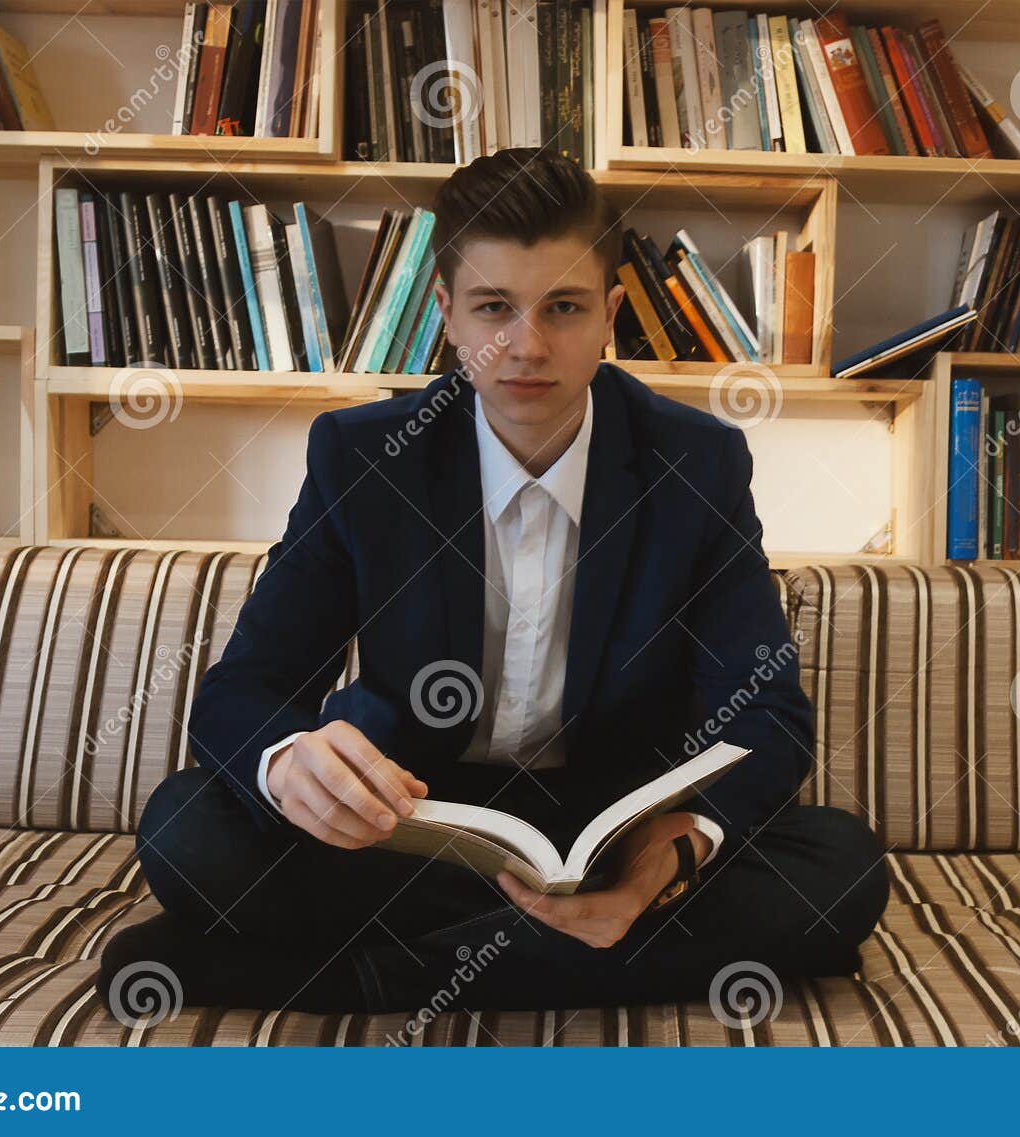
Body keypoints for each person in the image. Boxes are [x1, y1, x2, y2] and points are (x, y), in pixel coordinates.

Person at [95, 147, 889, 1019]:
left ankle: (350, 978)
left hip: (610, 831)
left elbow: (766, 713)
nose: (528, 346)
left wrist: (673, 858)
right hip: (409, 823)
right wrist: (290, 764)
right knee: (188, 828)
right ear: (446, 315)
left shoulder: (696, 463)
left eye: (564, 308)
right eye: (493, 308)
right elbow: (246, 688)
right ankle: (591, 952)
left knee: (839, 866)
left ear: (611, 315)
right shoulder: (365, 457)